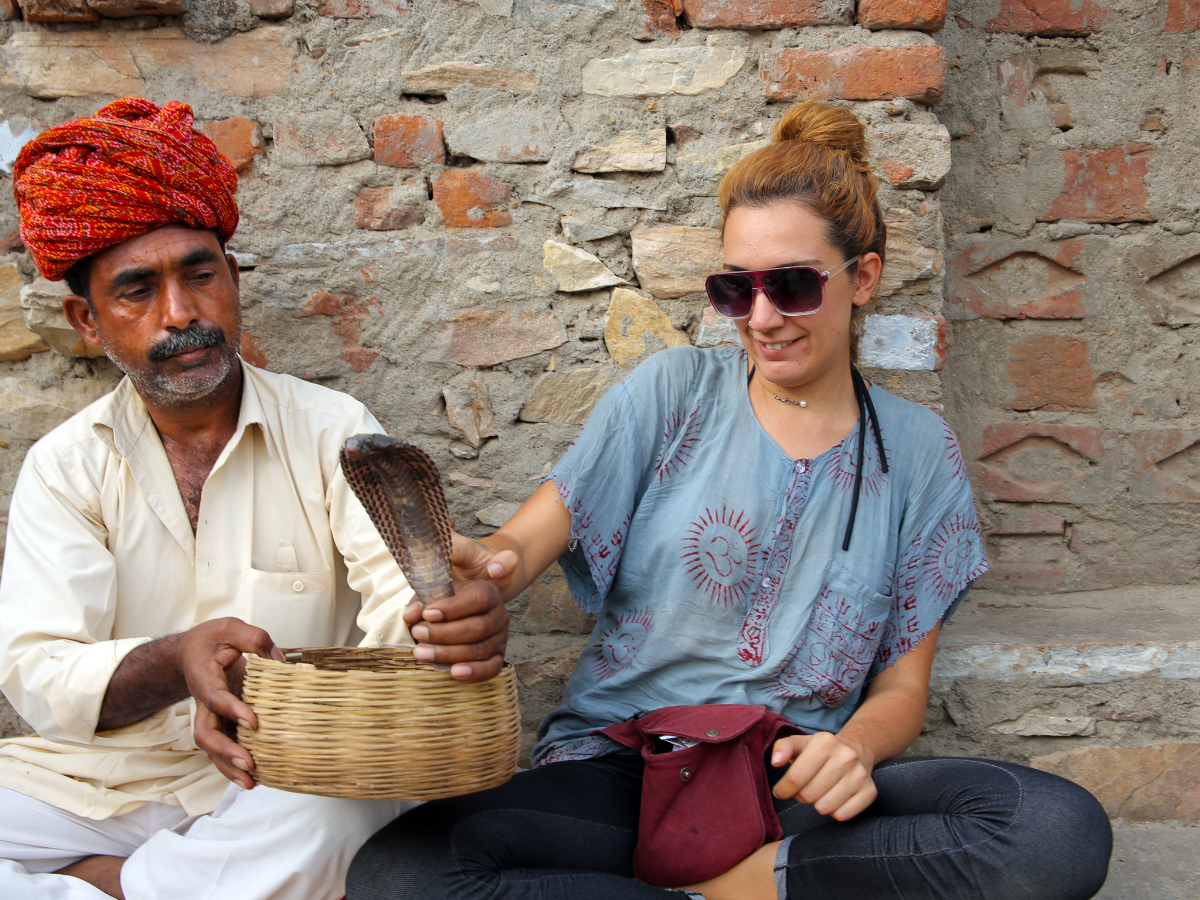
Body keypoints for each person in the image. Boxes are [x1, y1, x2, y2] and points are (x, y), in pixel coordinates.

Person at [347, 101, 1113, 900]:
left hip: (791, 782)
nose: (762, 317)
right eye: (734, 289)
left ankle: (725, 887)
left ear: (864, 277)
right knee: (400, 877)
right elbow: (518, 547)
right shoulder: (670, 394)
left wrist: (851, 750)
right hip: (627, 769)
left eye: (793, 284)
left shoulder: (919, 452)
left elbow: (901, 689)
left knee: (1053, 829)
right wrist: (480, 570)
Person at [0, 97, 509, 900]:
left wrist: (445, 622)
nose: (181, 313)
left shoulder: (333, 431)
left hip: (285, 771)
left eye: (199, 275)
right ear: (86, 321)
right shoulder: (65, 466)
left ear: (232, 280)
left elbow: (398, 604)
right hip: (97, 782)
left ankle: (107, 889)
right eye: (137, 290)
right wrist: (180, 658)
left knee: (342, 821)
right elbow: (40, 670)